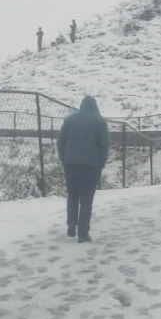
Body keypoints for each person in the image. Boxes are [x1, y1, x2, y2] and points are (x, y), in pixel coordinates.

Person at [57, 96, 109, 242]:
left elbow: (61, 142)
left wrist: (64, 159)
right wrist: (101, 163)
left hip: (71, 164)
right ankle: (83, 233)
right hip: (91, 167)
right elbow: (104, 145)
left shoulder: (69, 120)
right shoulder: (99, 122)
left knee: (72, 195)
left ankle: (71, 225)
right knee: (86, 199)